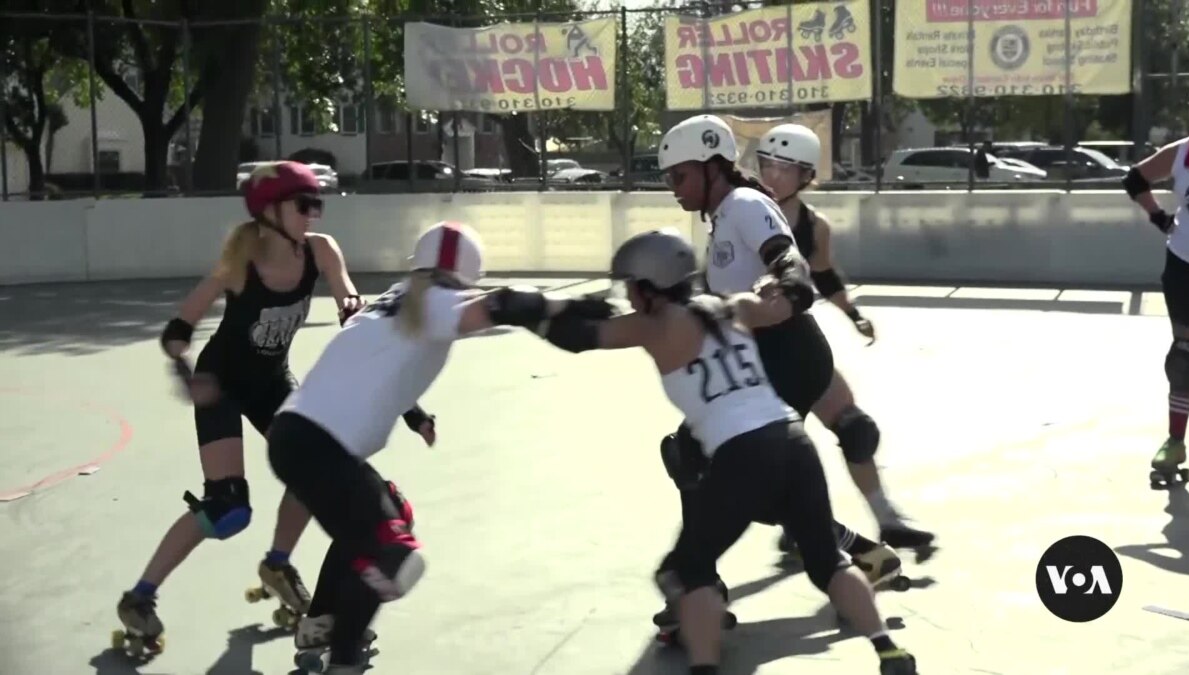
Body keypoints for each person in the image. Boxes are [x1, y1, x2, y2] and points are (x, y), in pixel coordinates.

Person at [534, 228, 919, 675]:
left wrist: (525, 310)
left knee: (684, 569)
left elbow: (579, 337)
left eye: (632, 287)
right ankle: (889, 650)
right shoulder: (731, 306)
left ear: (648, 286)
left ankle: (704, 656)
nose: (629, 296)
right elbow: (793, 299)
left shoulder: (652, 324)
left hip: (741, 454)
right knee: (826, 563)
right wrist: (787, 273)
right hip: (793, 440)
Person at [266, 221, 617, 673]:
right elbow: (500, 305)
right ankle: (344, 660)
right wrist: (565, 305)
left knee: (385, 515)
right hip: (318, 447)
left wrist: (414, 415)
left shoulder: (400, 299)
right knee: (391, 553)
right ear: (463, 275)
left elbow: (383, 367)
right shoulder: (434, 303)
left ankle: (324, 620)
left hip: (298, 438)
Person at [651, 114, 907, 619]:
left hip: (789, 354)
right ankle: (867, 558)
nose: (673, 189)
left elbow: (786, 257)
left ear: (710, 166)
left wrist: (788, 287)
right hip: (762, 359)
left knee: (713, 463)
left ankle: (701, 584)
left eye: (678, 176)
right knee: (708, 462)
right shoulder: (724, 214)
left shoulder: (746, 204)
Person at [115, 161, 375, 653]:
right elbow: (177, 331)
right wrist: (186, 374)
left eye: (318, 203)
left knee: (314, 471)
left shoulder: (320, 250)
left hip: (272, 382)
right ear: (272, 211)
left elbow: (347, 293)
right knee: (227, 507)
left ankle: (277, 566)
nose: (314, 214)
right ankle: (138, 598)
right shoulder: (241, 264)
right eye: (305, 204)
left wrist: (353, 309)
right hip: (222, 384)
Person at [755, 123, 936, 550]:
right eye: (767, 166)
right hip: (754, 350)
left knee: (856, 429)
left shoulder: (814, 226)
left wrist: (852, 314)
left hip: (798, 341)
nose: (773, 176)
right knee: (776, 455)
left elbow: (823, 274)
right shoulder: (742, 214)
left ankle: (887, 520)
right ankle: (798, 524)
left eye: (785, 169)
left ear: (805, 176)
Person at [1121, 81, 1189, 488]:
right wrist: (1161, 220)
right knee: (1186, 357)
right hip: (1186, 264)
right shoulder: (1184, 152)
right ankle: (1175, 440)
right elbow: (1134, 180)